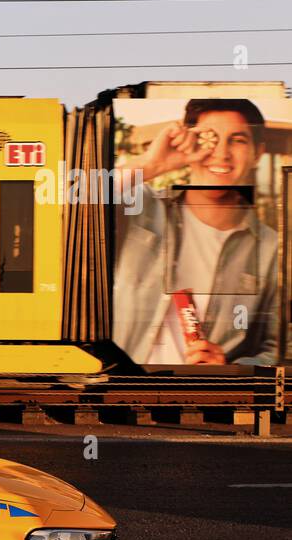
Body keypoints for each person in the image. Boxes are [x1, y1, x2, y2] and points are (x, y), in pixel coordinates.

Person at [113, 98, 278, 365]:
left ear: (257, 152)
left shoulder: (272, 248)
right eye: (209, 139)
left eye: (237, 140)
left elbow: (280, 349)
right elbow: (67, 201)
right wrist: (153, 165)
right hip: (117, 394)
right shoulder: (140, 206)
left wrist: (231, 371)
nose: (221, 153)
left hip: (204, 401)